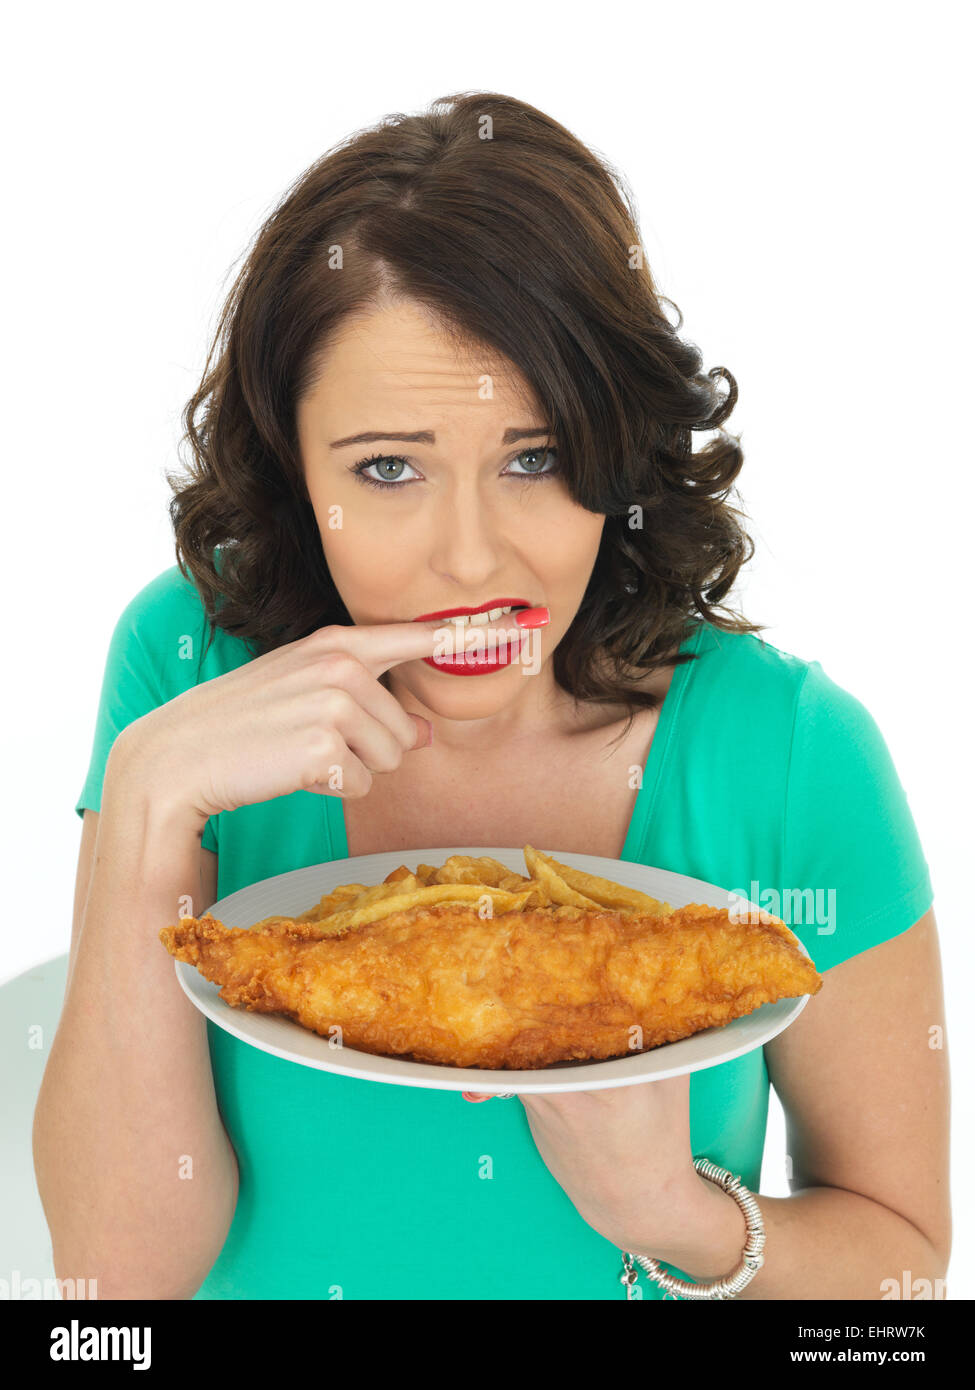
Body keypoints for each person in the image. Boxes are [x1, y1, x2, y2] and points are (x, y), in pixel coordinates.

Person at [33, 91, 950, 1300]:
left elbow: (904, 1295)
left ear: (617, 451)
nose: (470, 560)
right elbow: (114, 1285)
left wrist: (673, 1214)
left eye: (535, 458)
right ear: (294, 471)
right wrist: (149, 800)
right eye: (388, 468)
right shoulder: (189, 664)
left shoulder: (788, 750)